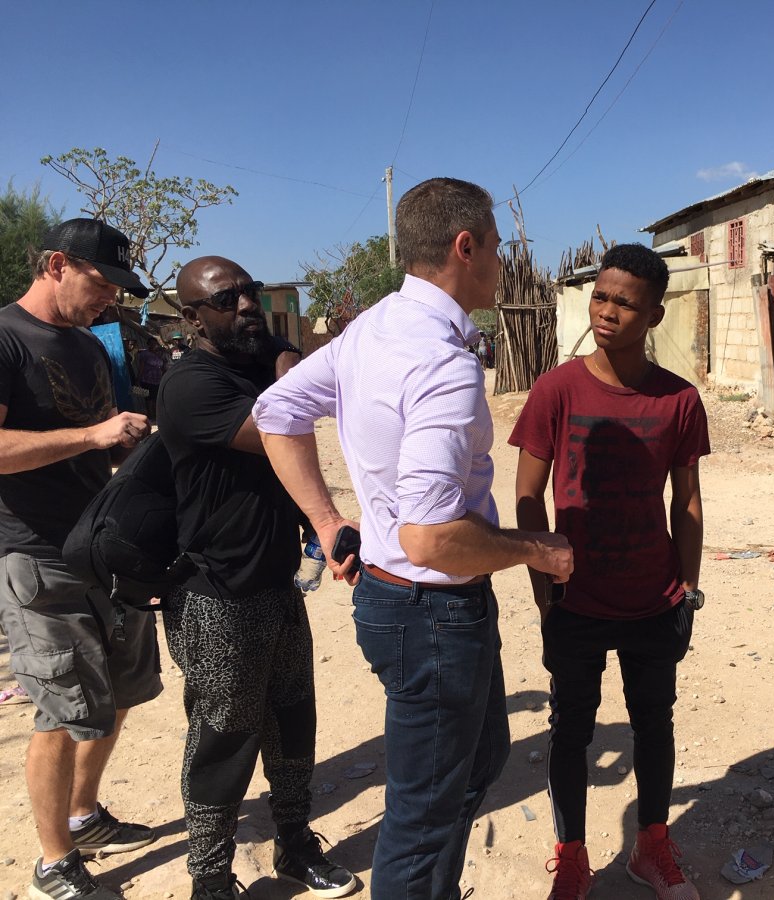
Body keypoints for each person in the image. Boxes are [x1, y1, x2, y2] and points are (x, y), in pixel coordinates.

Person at [252, 176, 574, 900]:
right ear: (466, 246)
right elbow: (430, 539)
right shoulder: (442, 366)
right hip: (429, 612)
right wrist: (538, 549)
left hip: (415, 605)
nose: (499, 259)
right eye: (495, 245)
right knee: (422, 817)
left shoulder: (373, 326)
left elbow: (277, 411)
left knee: (482, 759)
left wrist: (329, 521)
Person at [510, 243, 709, 900]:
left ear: (653, 314)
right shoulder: (557, 388)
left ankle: (652, 844)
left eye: (625, 303)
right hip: (576, 602)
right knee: (572, 725)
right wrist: (544, 590)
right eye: (601, 296)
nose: (607, 312)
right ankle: (571, 855)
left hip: (654, 597)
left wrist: (687, 589)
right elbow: (527, 497)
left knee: (656, 722)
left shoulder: (679, 401)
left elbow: (687, 502)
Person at [155, 256, 354, 900]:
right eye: (225, 299)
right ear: (192, 318)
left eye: (249, 294)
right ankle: (209, 877)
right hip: (215, 594)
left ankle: (295, 846)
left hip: (275, 584)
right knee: (223, 735)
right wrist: (285, 364)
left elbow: (294, 367)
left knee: (293, 720)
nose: (245, 306)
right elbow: (281, 427)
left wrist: (282, 355)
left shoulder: (261, 362)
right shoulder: (190, 384)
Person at [0, 218, 161, 900]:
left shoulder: (92, 349)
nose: (109, 301)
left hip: (102, 547)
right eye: (102, 284)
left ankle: (84, 814)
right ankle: (53, 860)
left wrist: (133, 450)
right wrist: (95, 432)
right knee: (63, 711)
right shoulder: (5, 338)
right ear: (56, 264)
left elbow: (97, 443)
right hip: (37, 556)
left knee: (120, 693)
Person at [135, 342, 167, 420]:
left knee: (156, 398)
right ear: (149, 345)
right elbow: (141, 367)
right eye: (152, 344)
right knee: (149, 398)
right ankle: (150, 415)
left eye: (155, 344)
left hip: (158, 380)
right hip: (147, 379)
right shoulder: (145, 354)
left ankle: (157, 415)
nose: (154, 346)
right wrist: (138, 379)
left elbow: (163, 367)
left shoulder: (159, 355)